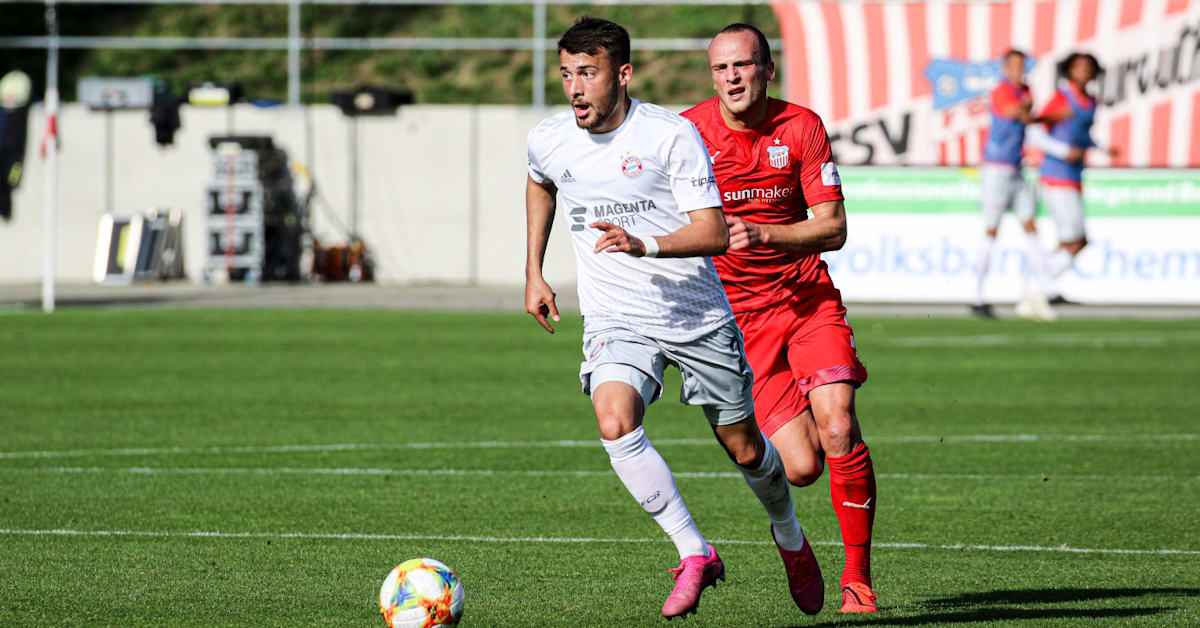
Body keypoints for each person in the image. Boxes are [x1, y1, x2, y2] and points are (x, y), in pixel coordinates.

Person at [524, 17, 823, 620]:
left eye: (589, 73)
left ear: (623, 75)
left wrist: (646, 244)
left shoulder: (670, 135)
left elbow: (714, 233)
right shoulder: (549, 138)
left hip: (696, 315)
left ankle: (788, 533)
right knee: (613, 420)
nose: (575, 88)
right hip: (617, 316)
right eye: (566, 74)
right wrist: (533, 269)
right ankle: (695, 553)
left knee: (742, 449)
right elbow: (540, 182)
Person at [682, 24, 878, 614]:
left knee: (839, 424)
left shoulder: (802, 127)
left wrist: (767, 233)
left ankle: (858, 580)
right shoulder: (688, 132)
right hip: (742, 324)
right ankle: (792, 541)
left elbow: (834, 227)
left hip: (806, 301)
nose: (733, 78)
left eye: (743, 65)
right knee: (801, 469)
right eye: (721, 69)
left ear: (768, 69)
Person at [973, 49, 1067, 322]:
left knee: (1031, 225)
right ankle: (976, 296)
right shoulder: (1002, 91)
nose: (1018, 70)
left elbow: (1029, 120)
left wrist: (1047, 117)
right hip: (996, 168)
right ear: (1005, 68)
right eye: (1013, 65)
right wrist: (1047, 115)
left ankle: (1049, 288)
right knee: (991, 230)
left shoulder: (1024, 90)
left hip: (1017, 167)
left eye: (1021, 66)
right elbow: (1020, 114)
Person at [1036, 52, 1118, 305]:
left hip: (1073, 176)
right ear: (1069, 71)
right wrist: (1063, 151)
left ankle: (1043, 290)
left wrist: (1103, 147)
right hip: (1055, 176)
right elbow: (1034, 131)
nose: (1083, 72)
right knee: (1076, 239)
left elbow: (1083, 134)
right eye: (1078, 67)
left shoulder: (1091, 100)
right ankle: (1037, 289)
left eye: (1088, 67)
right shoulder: (1061, 99)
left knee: (1072, 240)